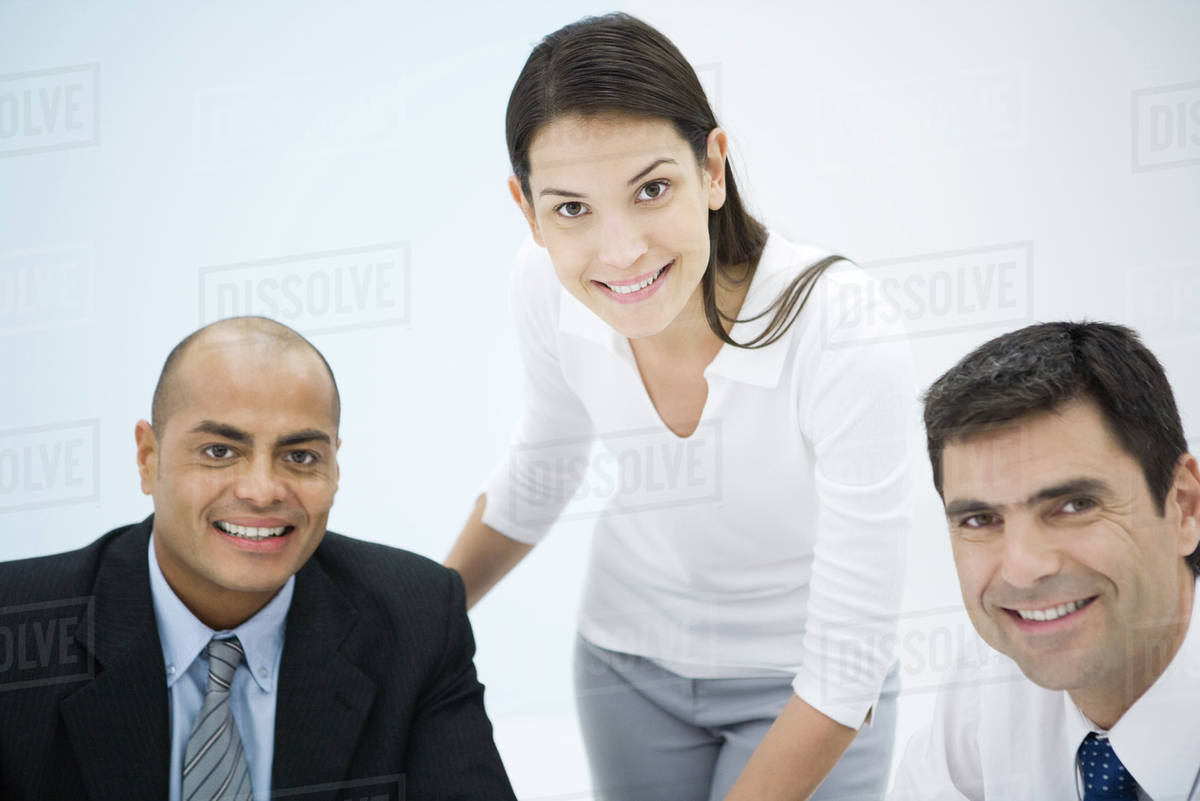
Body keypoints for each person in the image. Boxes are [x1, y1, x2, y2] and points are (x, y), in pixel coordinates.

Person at [444, 13, 918, 801]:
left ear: (713, 168)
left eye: (652, 188)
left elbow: (845, 667)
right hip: (627, 666)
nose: (621, 249)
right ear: (528, 211)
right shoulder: (541, 284)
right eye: (570, 209)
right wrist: (409, 625)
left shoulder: (842, 327)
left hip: (808, 686)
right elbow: (545, 461)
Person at [0, 317, 517, 801]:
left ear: (335, 467)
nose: (263, 490)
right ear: (148, 458)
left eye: (300, 457)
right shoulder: (17, 626)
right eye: (220, 451)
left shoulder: (417, 621)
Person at [889, 322, 1200, 800]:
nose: (1022, 569)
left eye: (1074, 505)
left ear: (1183, 506)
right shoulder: (986, 683)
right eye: (980, 518)